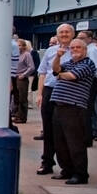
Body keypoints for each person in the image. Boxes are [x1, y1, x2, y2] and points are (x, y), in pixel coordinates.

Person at [49, 38, 97, 184]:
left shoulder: (88, 63)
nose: (75, 50)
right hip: (59, 106)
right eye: (72, 48)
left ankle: (80, 173)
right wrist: (58, 56)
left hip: (74, 107)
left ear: (85, 50)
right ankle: (67, 169)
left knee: (75, 142)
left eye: (78, 47)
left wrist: (59, 75)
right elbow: (55, 69)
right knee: (59, 142)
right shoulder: (69, 63)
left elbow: (72, 76)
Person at [34, 23, 75, 173]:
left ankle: (68, 165)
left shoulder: (77, 50)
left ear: (73, 34)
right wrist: (39, 94)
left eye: (67, 32)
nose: (64, 34)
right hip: (50, 90)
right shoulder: (50, 51)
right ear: (57, 35)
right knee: (48, 128)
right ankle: (47, 162)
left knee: (65, 129)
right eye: (61, 32)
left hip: (69, 91)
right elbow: (42, 73)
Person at [12, 39, 35, 124]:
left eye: (19, 45)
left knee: (22, 98)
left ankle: (23, 117)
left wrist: (24, 75)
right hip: (14, 77)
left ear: (24, 46)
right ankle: (17, 115)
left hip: (22, 78)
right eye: (16, 45)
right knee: (16, 98)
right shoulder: (15, 55)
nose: (18, 47)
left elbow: (31, 67)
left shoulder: (27, 55)